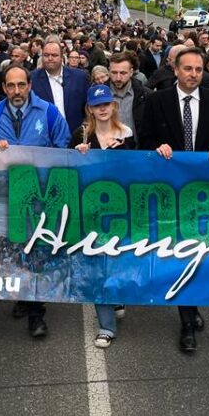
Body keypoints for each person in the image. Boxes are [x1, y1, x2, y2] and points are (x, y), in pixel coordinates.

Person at [137, 47, 209, 353]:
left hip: (206, 193)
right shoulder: (157, 101)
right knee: (181, 254)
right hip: (172, 191)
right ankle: (187, 322)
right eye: (188, 68)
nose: (193, 74)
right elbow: (145, 139)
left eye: (199, 69)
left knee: (202, 253)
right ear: (175, 70)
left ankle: (193, 303)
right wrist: (158, 148)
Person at [0, 64, 70, 337]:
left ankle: (36, 313)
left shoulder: (49, 113)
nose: (17, 91)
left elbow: (63, 148)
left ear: (29, 85)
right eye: (11, 86)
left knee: (36, 251)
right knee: (16, 251)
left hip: (39, 198)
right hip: (7, 196)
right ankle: (23, 296)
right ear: (3, 88)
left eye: (21, 85)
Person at [70, 84, 135, 348]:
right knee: (97, 265)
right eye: (97, 105)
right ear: (90, 109)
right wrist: (78, 154)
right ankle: (106, 326)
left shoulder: (126, 133)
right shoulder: (82, 134)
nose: (103, 109)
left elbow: (138, 169)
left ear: (113, 106)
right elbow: (69, 168)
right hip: (92, 211)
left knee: (119, 261)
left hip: (121, 210)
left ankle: (117, 296)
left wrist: (123, 151)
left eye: (106, 104)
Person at [30, 36, 89, 132]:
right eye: (46, 55)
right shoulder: (32, 79)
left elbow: (87, 107)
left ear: (62, 57)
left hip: (74, 134)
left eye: (54, 55)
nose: (50, 58)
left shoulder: (79, 77)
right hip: (43, 135)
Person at [108, 51, 147, 139]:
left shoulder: (145, 95)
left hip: (137, 146)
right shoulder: (99, 95)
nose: (118, 78)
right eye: (114, 73)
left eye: (123, 73)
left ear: (131, 72)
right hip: (106, 145)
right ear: (109, 71)